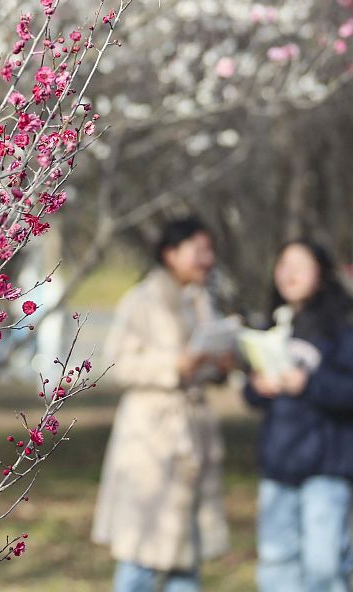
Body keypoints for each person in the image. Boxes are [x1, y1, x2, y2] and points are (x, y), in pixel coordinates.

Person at [92, 216, 233, 592]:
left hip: (192, 436)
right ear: (171, 253)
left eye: (210, 251)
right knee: (140, 553)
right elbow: (115, 363)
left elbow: (202, 359)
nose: (208, 259)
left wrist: (218, 367)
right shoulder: (142, 299)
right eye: (199, 250)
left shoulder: (201, 299)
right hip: (150, 440)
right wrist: (173, 366)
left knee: (186, 554)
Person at [244, 239, 353, 592]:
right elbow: (250, 396)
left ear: (321, 273)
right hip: (279, 464)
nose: (290, 274)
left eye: (300, 265)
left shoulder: (340, 329)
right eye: (283, 265)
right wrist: (258, 386)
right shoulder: (272, 325)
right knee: (276, 561)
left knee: (325, 563)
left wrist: (309, 383)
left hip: (327, 465)